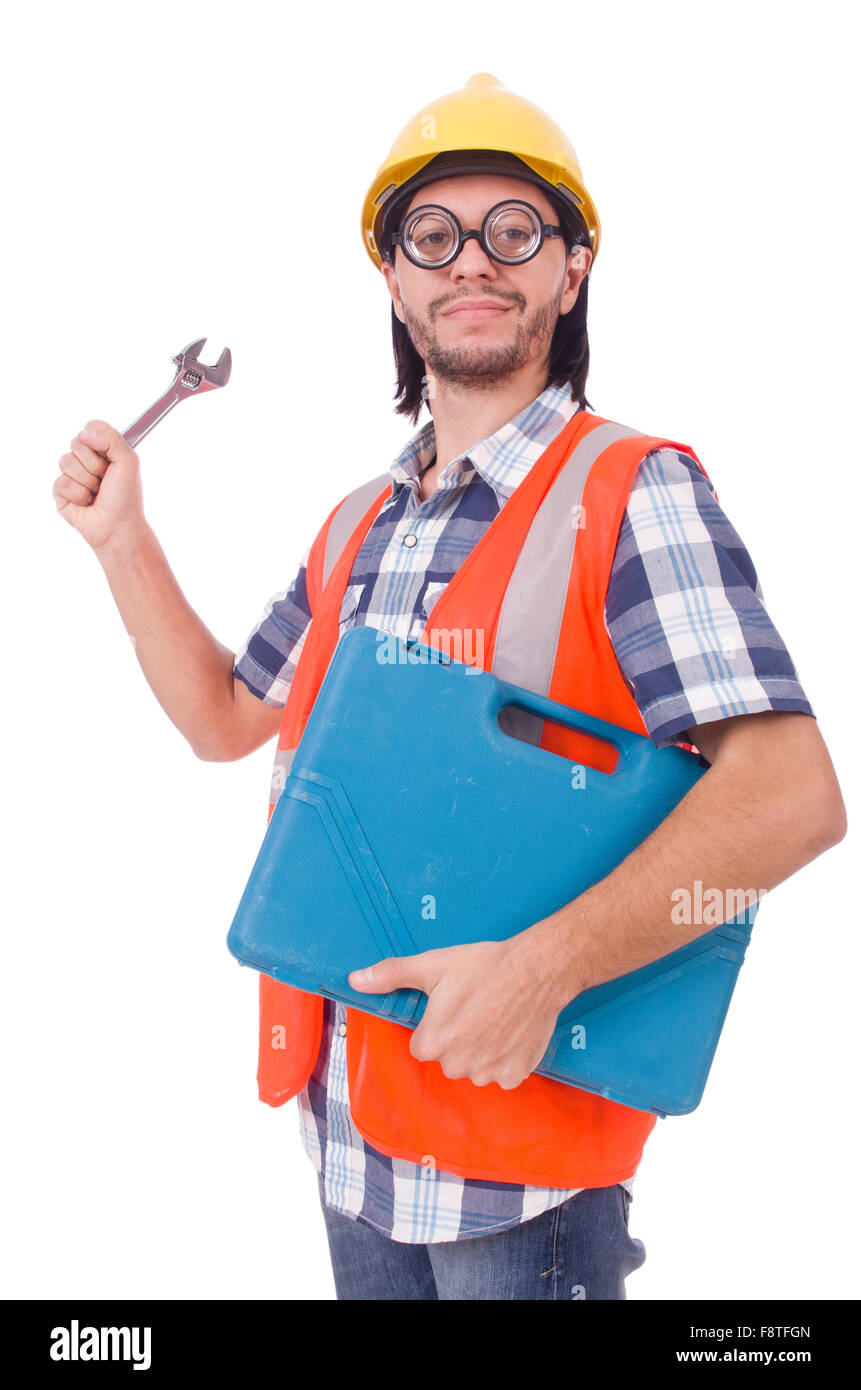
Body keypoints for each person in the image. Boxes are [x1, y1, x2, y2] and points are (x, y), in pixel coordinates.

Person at [52, 73, 846, 1301]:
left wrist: (544, 969)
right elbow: (223, 716)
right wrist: (123, 544)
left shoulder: (631, 493)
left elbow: (794, 795)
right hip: (351, 1140)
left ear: (571, 268)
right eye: (434, 235)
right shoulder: (360, 522)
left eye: (513, 231)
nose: (472, 261)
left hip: (519, 1184)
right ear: (394, 277)